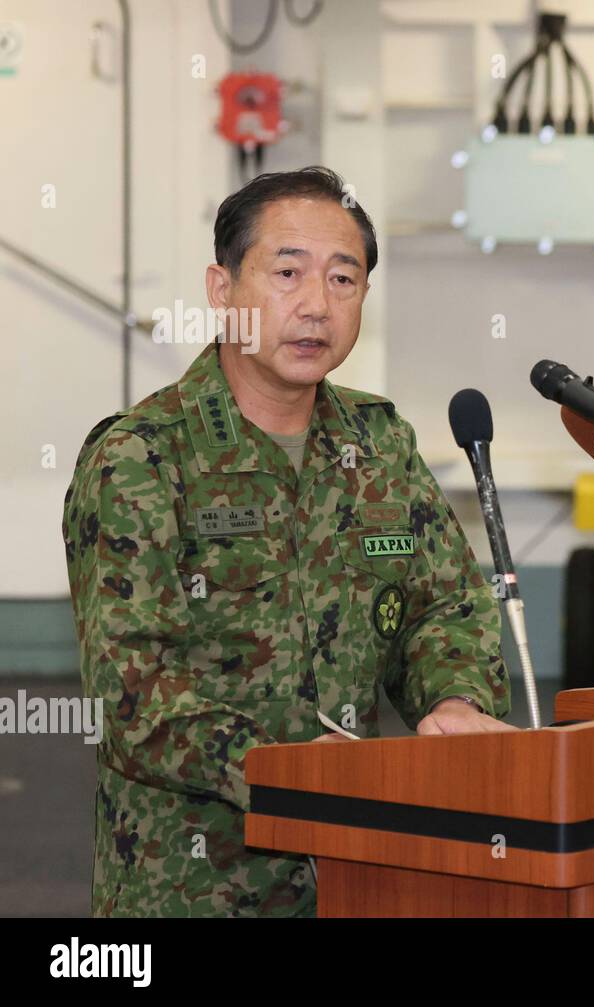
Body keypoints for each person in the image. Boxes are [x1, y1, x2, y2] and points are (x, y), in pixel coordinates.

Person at [61, 166, 515, 918]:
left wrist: (455, 699)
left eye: (344, 279)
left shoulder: (379, 443)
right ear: (222, 288)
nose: (315, 306)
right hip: (192, 884)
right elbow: (130, 694)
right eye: (287, 272)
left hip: (360, 874)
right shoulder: (142, 458)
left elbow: (441, 607)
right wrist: (283, 770)